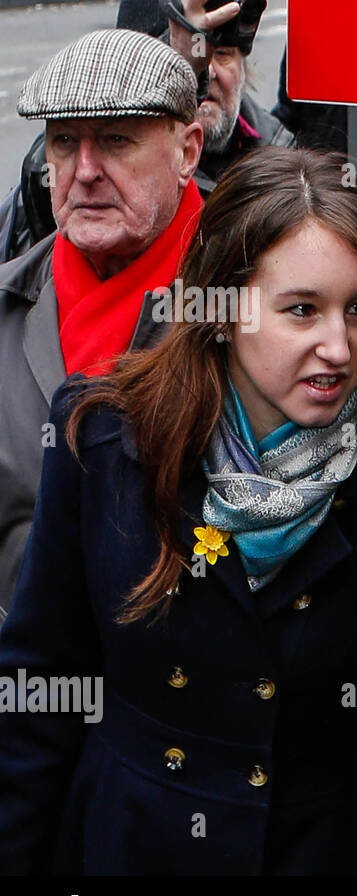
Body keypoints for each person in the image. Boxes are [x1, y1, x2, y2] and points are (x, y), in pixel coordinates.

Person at [0, 146, 357, 874]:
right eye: (302, 309)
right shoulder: (109, 438)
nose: (338, 346)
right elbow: (39, 686)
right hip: (131, 852)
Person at [0, 29, 205, 616]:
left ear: (187, 151)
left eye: (116, 140)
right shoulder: (8, 304)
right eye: (64, 142)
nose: (84, 171)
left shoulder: (249, 302)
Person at [0, 0, 291, 263]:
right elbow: (44, 179)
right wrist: (178, 77)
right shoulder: (55, 186)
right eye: (160, 56)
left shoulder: (284, 159)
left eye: (222, 53)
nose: (208, 69)